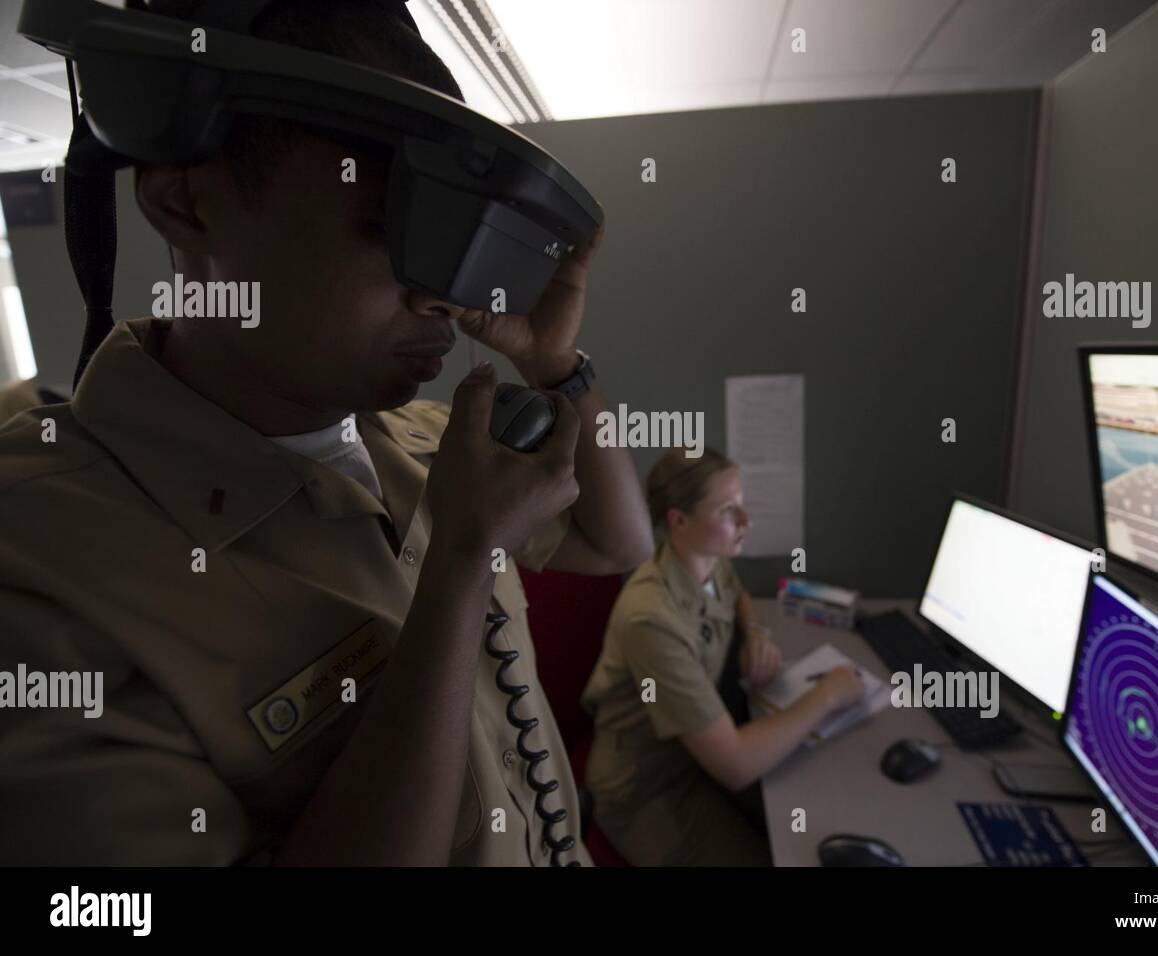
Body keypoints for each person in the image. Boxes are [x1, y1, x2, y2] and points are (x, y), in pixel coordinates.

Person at [0, 0, 653, 866]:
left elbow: (616, 546)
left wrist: (558, 368)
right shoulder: (39, 567)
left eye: (448, 242)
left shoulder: (418, 444)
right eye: (390, 228)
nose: (438, 295)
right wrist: (458, 567)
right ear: (186, 201)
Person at [580, 447, 866, 865]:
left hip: (699, 751)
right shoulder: (651, 618)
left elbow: (739, 596)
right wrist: (828, 695)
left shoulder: (705, 558)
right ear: (678, 520)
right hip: (650, 786)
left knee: (816, 811)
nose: (746, 522)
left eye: (743, 505)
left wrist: (755, 634)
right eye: (729, 510)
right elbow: (735, 764)